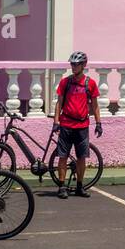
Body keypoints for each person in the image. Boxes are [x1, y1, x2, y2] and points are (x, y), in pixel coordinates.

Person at [53, 51, 102, 199]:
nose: (73, 67)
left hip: (82, 126)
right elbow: (59, 103)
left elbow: (95, 106)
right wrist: (56, 122)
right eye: (72, 64)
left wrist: (98, 123)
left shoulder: (90, 83)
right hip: (66, 125)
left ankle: (80, 186)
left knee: (81, 157)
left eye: (76, 64)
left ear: (83, 65)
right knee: (63, 156)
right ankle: (62, 186)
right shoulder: (65, 82)